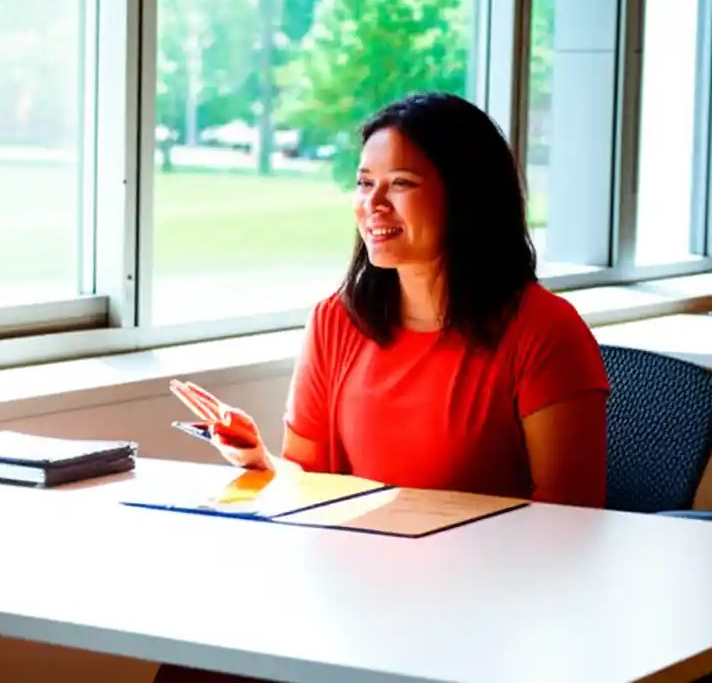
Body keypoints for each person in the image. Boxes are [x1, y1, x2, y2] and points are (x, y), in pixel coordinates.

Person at [156, 91, 610, 683]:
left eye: (401, 184)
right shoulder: (336, 321)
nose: (373, 204)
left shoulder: (544, 331)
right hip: (351, 599)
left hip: (482, 618)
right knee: (199, 662)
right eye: (364, 182)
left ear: (467, 197)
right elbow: (312, 489)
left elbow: (570, 527)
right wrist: (259, 460)